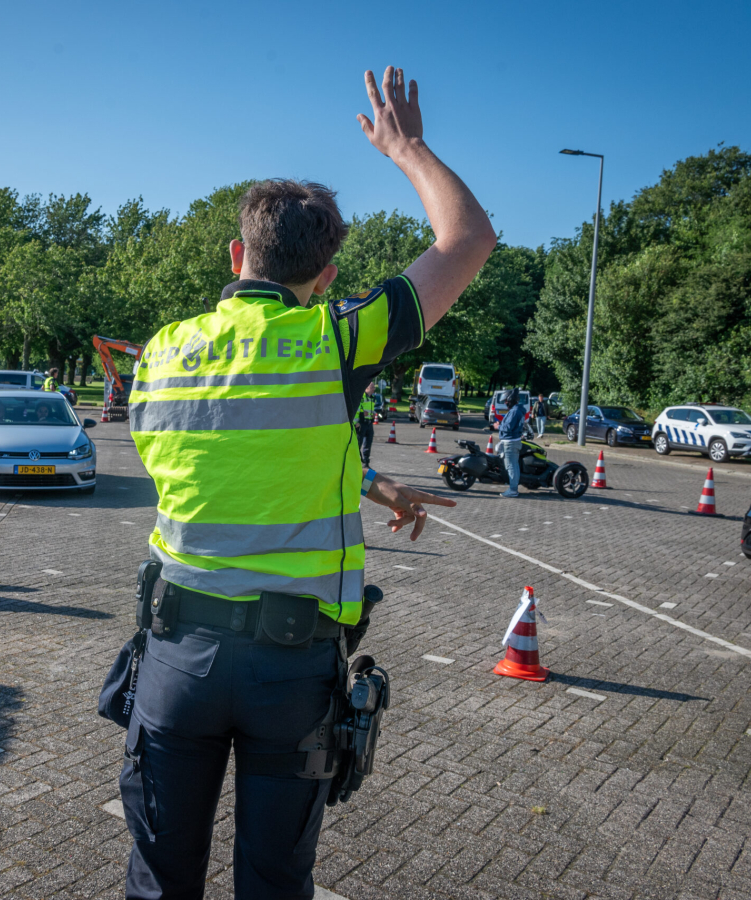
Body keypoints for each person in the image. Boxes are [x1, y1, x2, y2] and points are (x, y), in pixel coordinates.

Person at [121, 66, 495, 899]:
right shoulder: (338, 340)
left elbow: (247, 449)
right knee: (275, 880)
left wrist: (372, 482)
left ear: (237, 255)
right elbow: (468, 238)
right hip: (288, 672)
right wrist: (407, 147)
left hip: (177, 653)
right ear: (325, 275)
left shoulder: (165, 350)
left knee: (159, 877)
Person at [496, 389, 526, 498]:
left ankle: (513, 490)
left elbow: (508, 427)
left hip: (510, 443)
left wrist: (498, 426)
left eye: (506, 401)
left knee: (511, 466)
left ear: (511, 400)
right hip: (513, 441)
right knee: (513, 466)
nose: (505, 403)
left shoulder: (514, 411)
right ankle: (513, 487)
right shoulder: (518, 410)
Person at [356, 382, 377, 465]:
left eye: (374, 387)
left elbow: (371, 408)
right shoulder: (362, 397)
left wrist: (373, 414)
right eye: (372, 387)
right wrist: (362, 414)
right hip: (361, 423)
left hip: (369, 423)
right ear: (366, 388)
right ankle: (355, 462)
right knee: (358, 444)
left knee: (368, 443)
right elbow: (357, 407)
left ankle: (366, 463)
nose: (374, 388)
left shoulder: (373, 398)